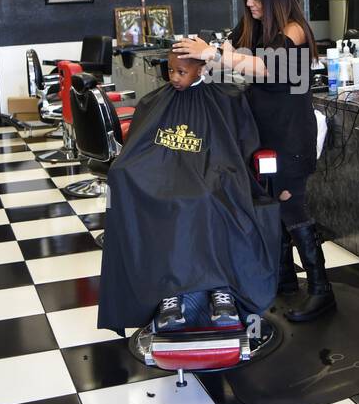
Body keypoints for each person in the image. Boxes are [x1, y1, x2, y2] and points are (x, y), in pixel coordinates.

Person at [174, 0, 335, 323]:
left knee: (291, 205)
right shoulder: (254, 28)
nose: (250, 4)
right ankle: (283, 279)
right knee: (270, 200)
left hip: (291, 133)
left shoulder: (294, 32)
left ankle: (322, 290)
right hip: (261, 133)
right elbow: (229, 55)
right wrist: (202, 61)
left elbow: (268, 70)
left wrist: (216, 56)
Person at [97, 50, 280, 337]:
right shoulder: (155, 101)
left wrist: (218, 170)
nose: (174, 78)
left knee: (204, 198)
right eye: (170, 71)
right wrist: (123, 170)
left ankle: (221, 289)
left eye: (181, 72)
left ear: (201, 69)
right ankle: (170, 294)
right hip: (166, 175)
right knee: (137, 184)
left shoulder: (225, 98)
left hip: (215, 175)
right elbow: (140, 147)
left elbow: (236, 149)